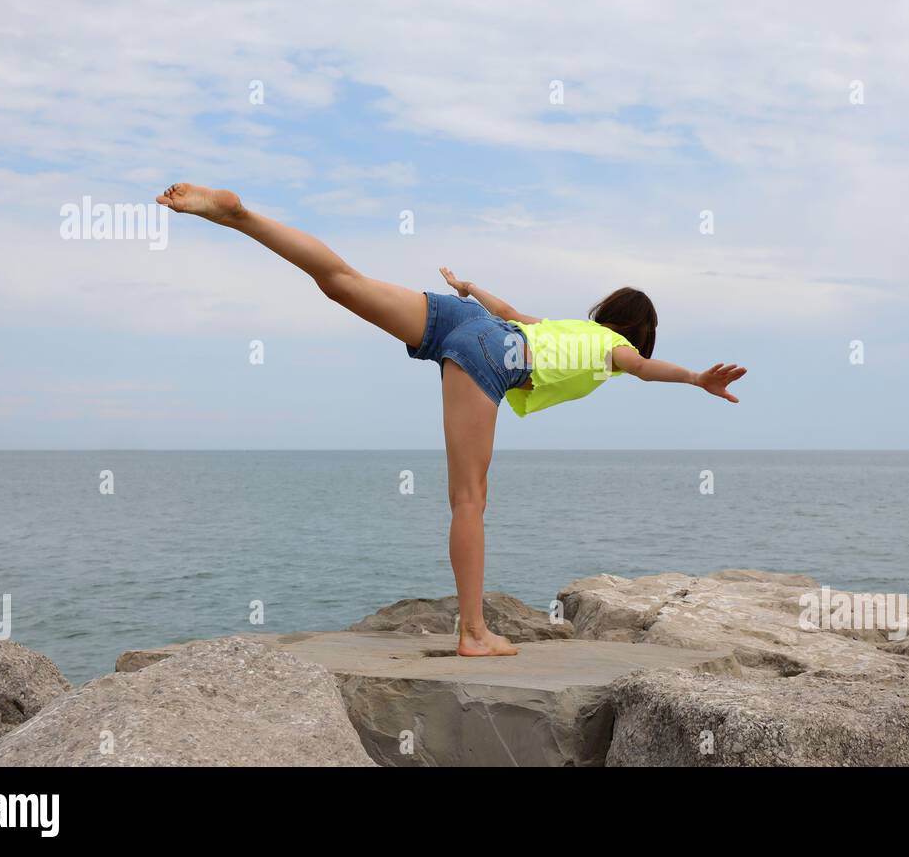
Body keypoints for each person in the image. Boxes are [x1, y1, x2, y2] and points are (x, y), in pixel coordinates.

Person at [156, 183, 747, 655]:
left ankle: (241, 217)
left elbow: (510, 312)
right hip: (496, 354)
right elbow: (645, 369)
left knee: (343, 282)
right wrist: (696, 378)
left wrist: (468, 288)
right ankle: (472, 632)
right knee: (469, 500)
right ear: (638, 334)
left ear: (605, 311)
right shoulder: (615, 352)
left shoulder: (573, 327)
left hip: (464, 321)